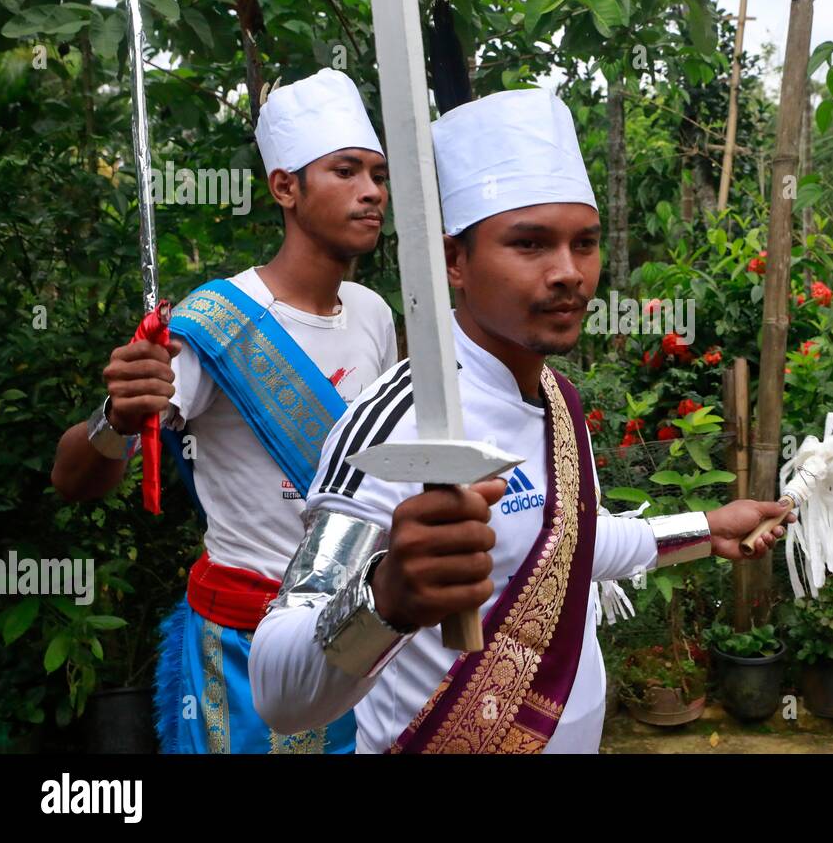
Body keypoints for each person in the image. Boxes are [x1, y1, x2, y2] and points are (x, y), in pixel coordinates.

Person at [248, 87, 792, 753]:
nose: (569, 273)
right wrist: (385, 600)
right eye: (530, 243)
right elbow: (278, 696)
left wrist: (708, 530)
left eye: (585, 243)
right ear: (455, 260)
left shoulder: (558, 399)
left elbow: (569, 545)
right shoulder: (397, 423)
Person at [51, 68, 398, 753]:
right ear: (285, 187)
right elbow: (77, 479)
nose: (371, 192)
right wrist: (116, 419)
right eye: (347, 171)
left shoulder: (374, 314)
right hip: (245, 642)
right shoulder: (215, 323)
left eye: (379, 175)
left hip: (359, 632)